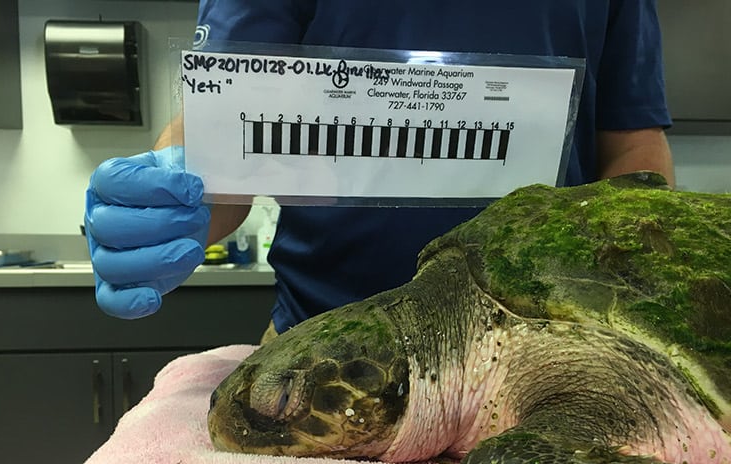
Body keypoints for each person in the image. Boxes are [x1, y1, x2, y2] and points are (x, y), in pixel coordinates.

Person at [85, 1, 675, 340]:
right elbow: (224, 124)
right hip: (324, 346)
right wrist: (171, 199)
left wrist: (652, 278)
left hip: (542, 349)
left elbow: (630, 147)